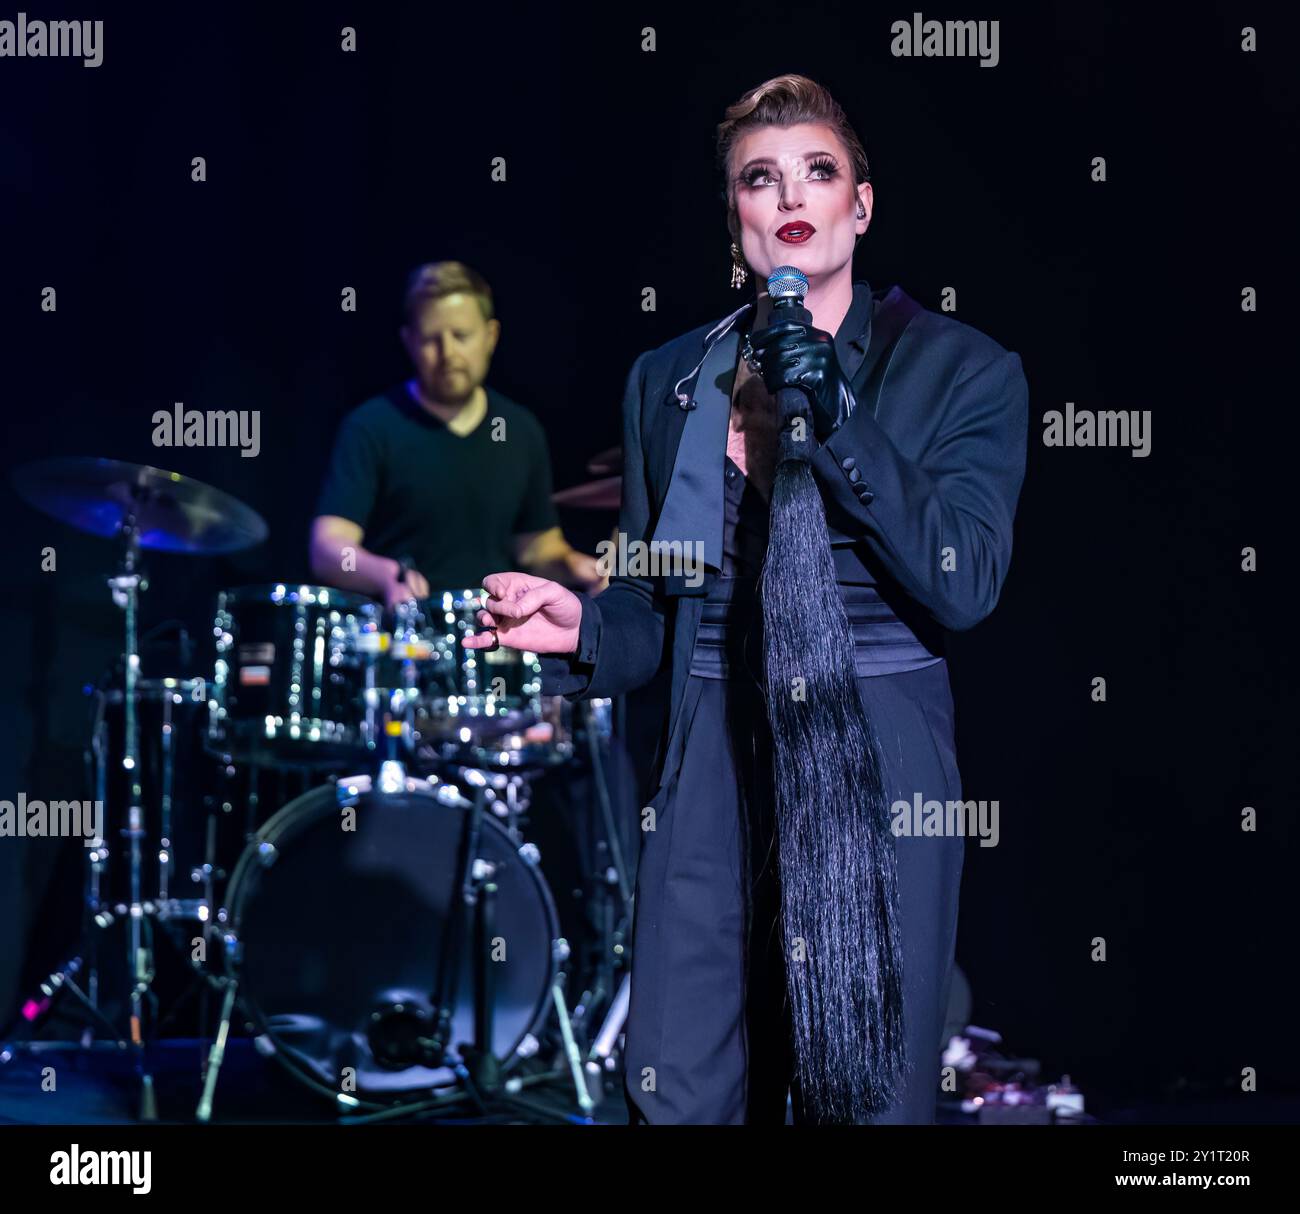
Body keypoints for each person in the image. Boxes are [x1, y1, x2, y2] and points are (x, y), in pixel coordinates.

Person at [463, 74, 1028, 1125]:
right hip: (711, 747)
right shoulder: (670, 378)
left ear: (861, 204)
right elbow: (656, 611)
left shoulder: (962, 371)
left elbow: (964, 582)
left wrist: (834, 411)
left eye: (819, 171)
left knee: (857, 1090)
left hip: (875, 749)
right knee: (677, 1081)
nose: (789, 195)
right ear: (736, 217)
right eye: (758, 179)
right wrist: (584, 624)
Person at [310, 261, 601, 607]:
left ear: (491, 336)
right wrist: (387, 574)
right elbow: (328, 547)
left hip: (497, 630)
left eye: (461, 336)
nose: (448, 354)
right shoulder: (371, 426)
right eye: (433, 339)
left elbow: (536, 549)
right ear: (409, 342)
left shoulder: (519, 429)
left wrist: (576, 566)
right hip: (404, 636)